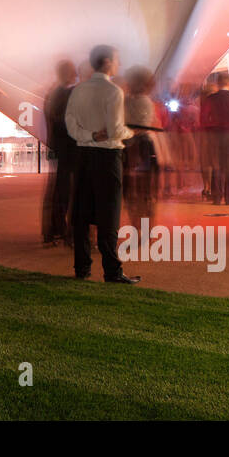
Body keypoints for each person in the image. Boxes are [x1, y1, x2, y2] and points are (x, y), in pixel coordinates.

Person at [64, 45, 140, 284]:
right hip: (108, 157)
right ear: (107, 62)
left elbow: (70, 123)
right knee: (109, 214)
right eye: (117, 59)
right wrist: (130, 132)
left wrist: (88, 136)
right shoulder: (113, 91)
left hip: (84, 154)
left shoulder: (79, 90)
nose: (118, 63)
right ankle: (112, 271)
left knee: (82, 213)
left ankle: (82, 267)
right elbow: (115, 130)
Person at [41, 59, 78, 245]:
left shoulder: (52, 93)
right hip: (68, 148)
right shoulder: (66, 93)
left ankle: (53, 230)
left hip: (57, 146)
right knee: (65, 190)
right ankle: (60, 230)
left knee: (57, 188)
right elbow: (66, 122)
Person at [123, 67, 161, 228]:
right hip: (145, 146)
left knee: (130, 190)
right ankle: (146, 227)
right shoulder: (147, 101)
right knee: (147, 190)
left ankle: (136, 225)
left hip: (128, 145)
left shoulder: (125, 100)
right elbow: (147, 125)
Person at [200, 71, 229, 205]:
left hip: (215, 137)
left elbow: (203, 118)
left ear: (218, 84)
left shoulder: (211, 99)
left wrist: (209, 130)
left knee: (216, 168)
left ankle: (217, 197)